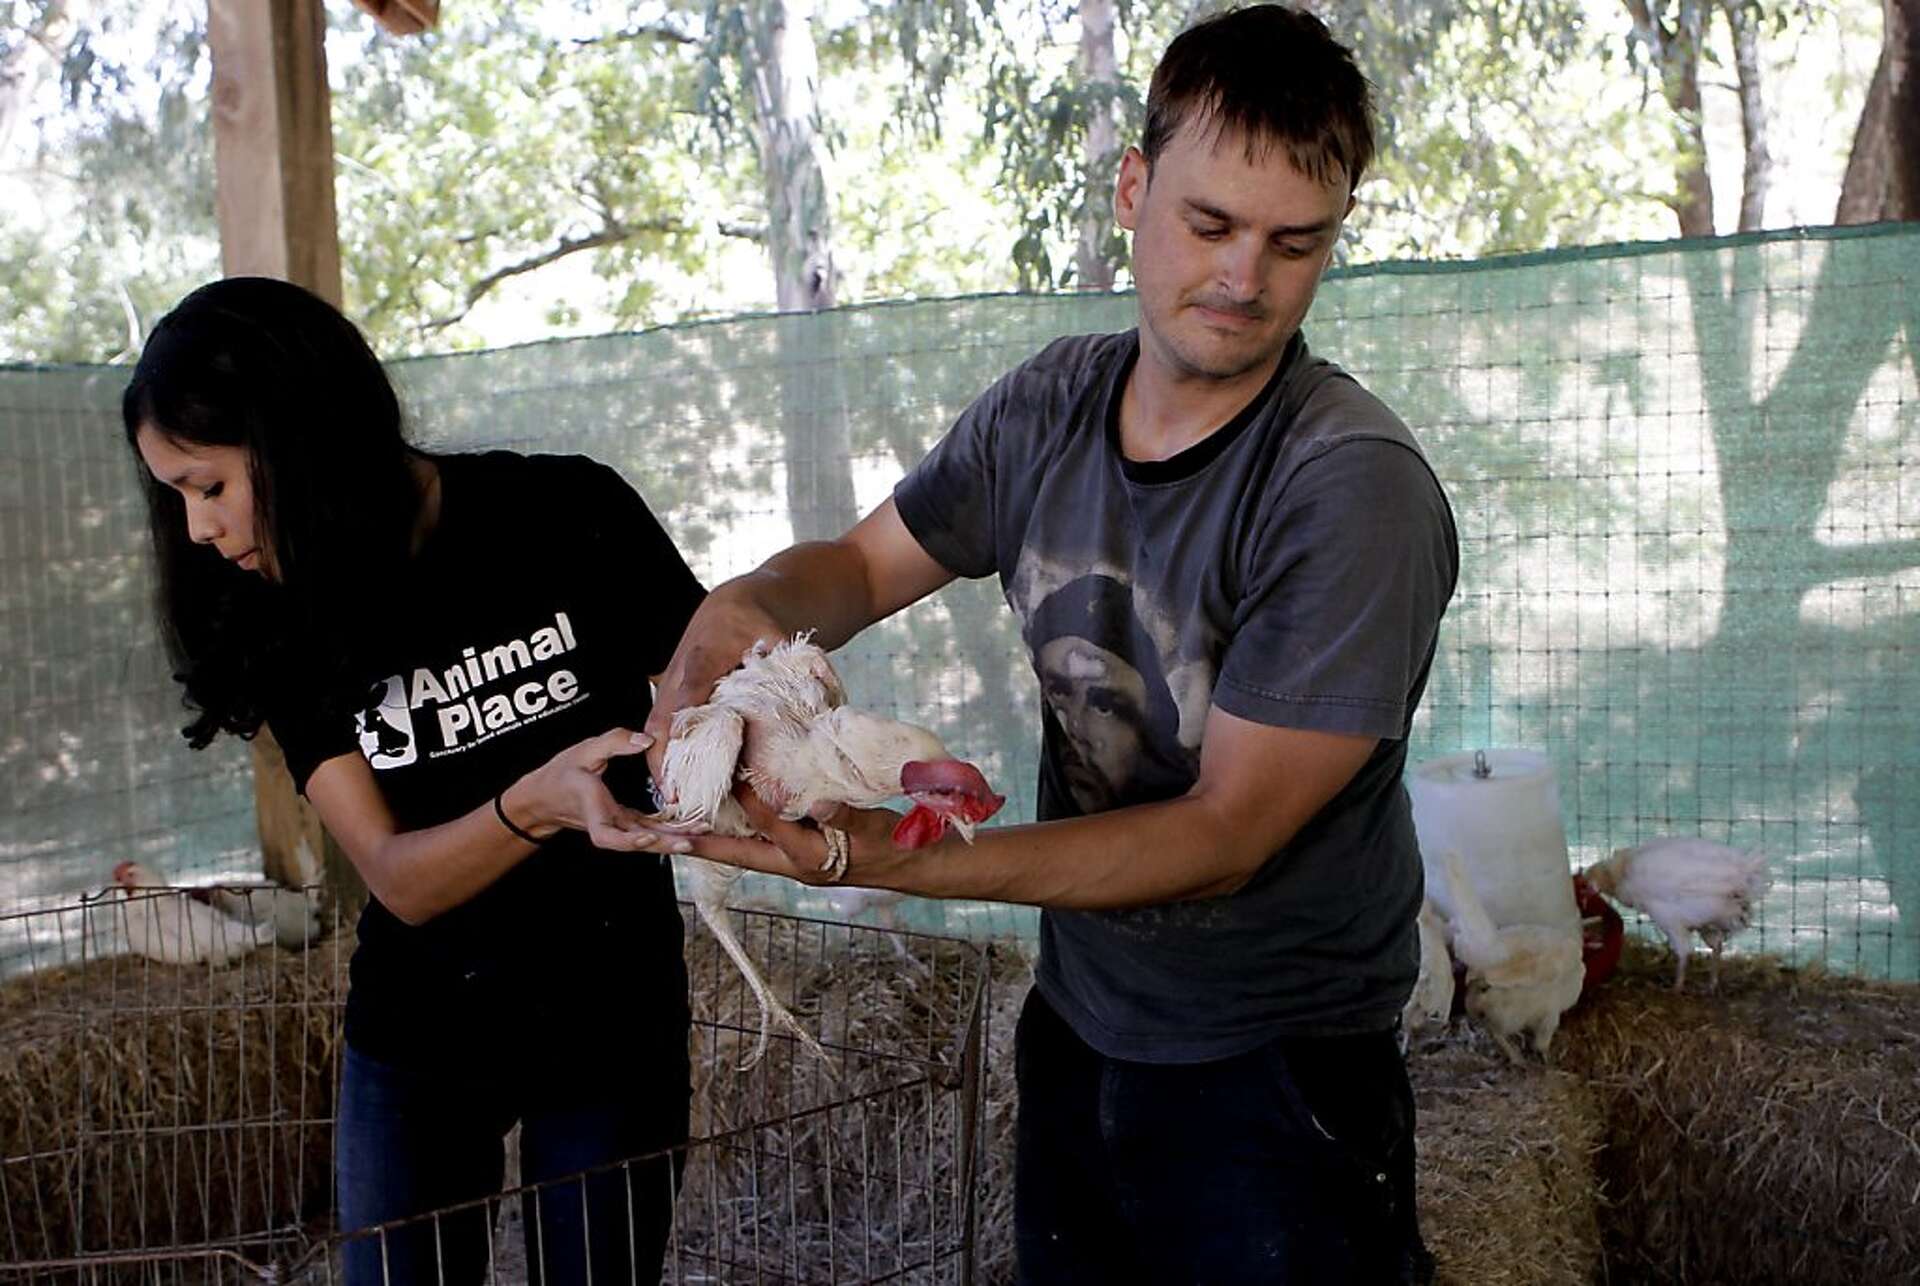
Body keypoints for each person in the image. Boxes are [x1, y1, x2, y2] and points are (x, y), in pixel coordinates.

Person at [639, 6, 1457, 1282]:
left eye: (1296, 245)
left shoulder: (1348, 485)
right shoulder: (1050, 403)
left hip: (1279, 1058)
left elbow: (1222, 833)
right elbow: (856, 565)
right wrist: (738, 608)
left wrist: (881, 862)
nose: (1245, 278)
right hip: (1082, 1013)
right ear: (1133, 188)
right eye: (1210, 224)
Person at [120, 276, 702, 1286]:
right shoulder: (275, 612)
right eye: (176, 496)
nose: (199, 529)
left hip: (612, 1011)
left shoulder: (565, 510)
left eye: (209, 486)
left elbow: (711, 696)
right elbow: (399, 875)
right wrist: (538, 800)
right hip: (423, 1033)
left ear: (298, 435)